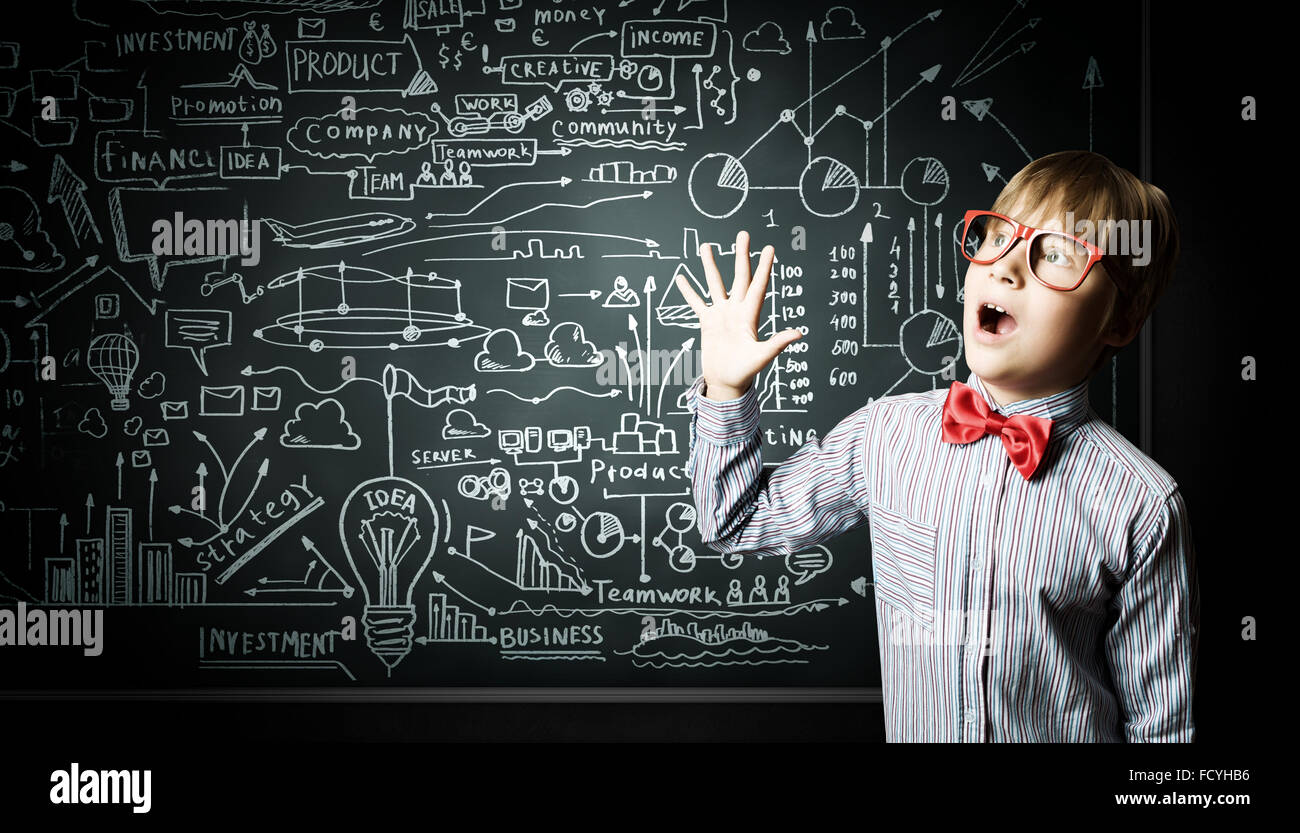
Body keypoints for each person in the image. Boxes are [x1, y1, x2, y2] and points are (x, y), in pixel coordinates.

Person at [674, 149, 1198, 742]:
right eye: (997, 237)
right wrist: (724, 388)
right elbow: (732, 523)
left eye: (1054, 254)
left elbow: (1162, 730)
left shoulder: (1144, 504)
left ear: (1120, 321)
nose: (1006, 269)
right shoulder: (885, 435)